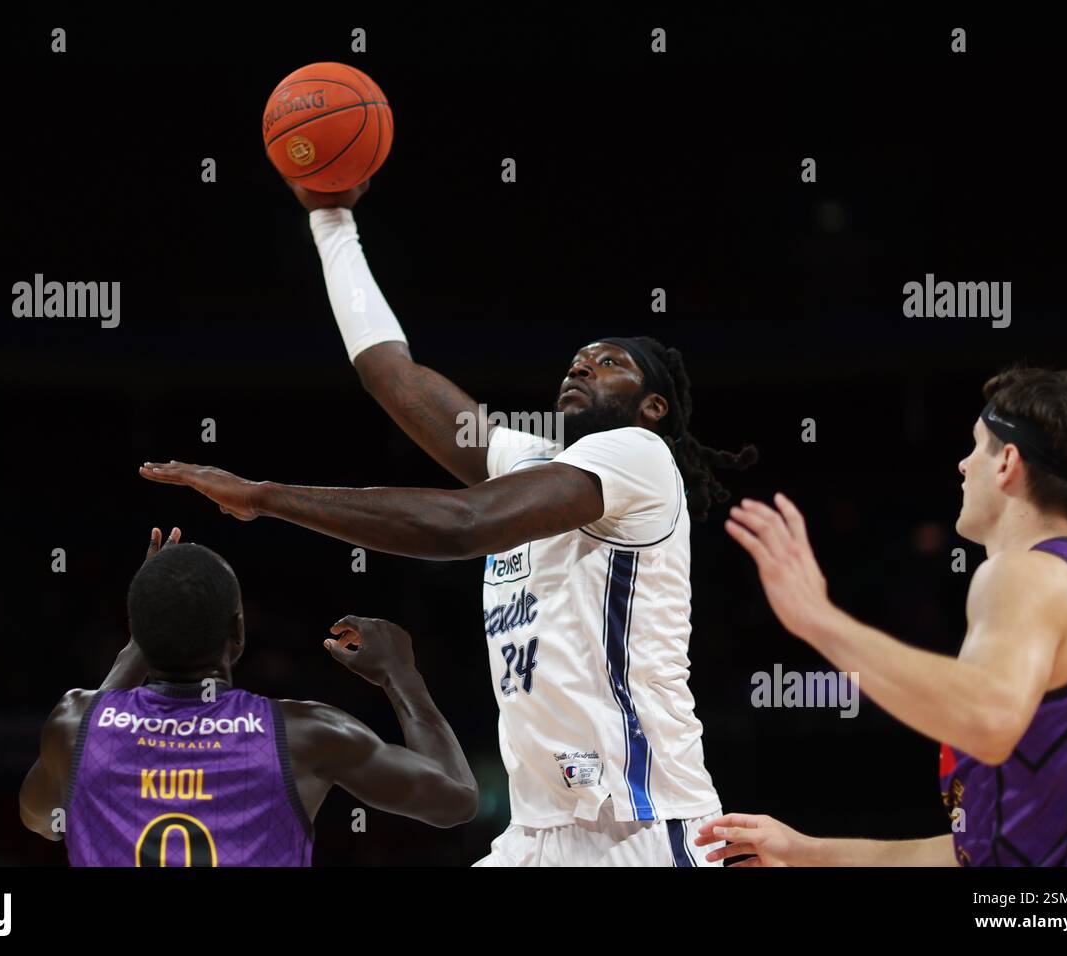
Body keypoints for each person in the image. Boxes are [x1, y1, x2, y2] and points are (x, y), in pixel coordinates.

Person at [137, 180, 756, 865]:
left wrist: (265, 496)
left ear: (653, 409)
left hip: (641, 825)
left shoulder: (639, 457)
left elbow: (463, 526)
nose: (583, 364)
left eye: (612, 363)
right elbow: (390, 375)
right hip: (539, 828)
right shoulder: (535, 459)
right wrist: (330, 217)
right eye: (579, 357)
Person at [698, 366, 1067, 866]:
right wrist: (805, 853)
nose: (963, 465)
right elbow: (972, 854)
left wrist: (817, 619)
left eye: (976, 446)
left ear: (1006, 462)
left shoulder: (1027, 573)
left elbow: (987, 718)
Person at [19, 527, 478, 866]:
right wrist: (401, 676)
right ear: (237, 634)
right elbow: (456, 800)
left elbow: (40, 819)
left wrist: (141, 638)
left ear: (136, 634)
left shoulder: (74, 724)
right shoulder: (306, 734)